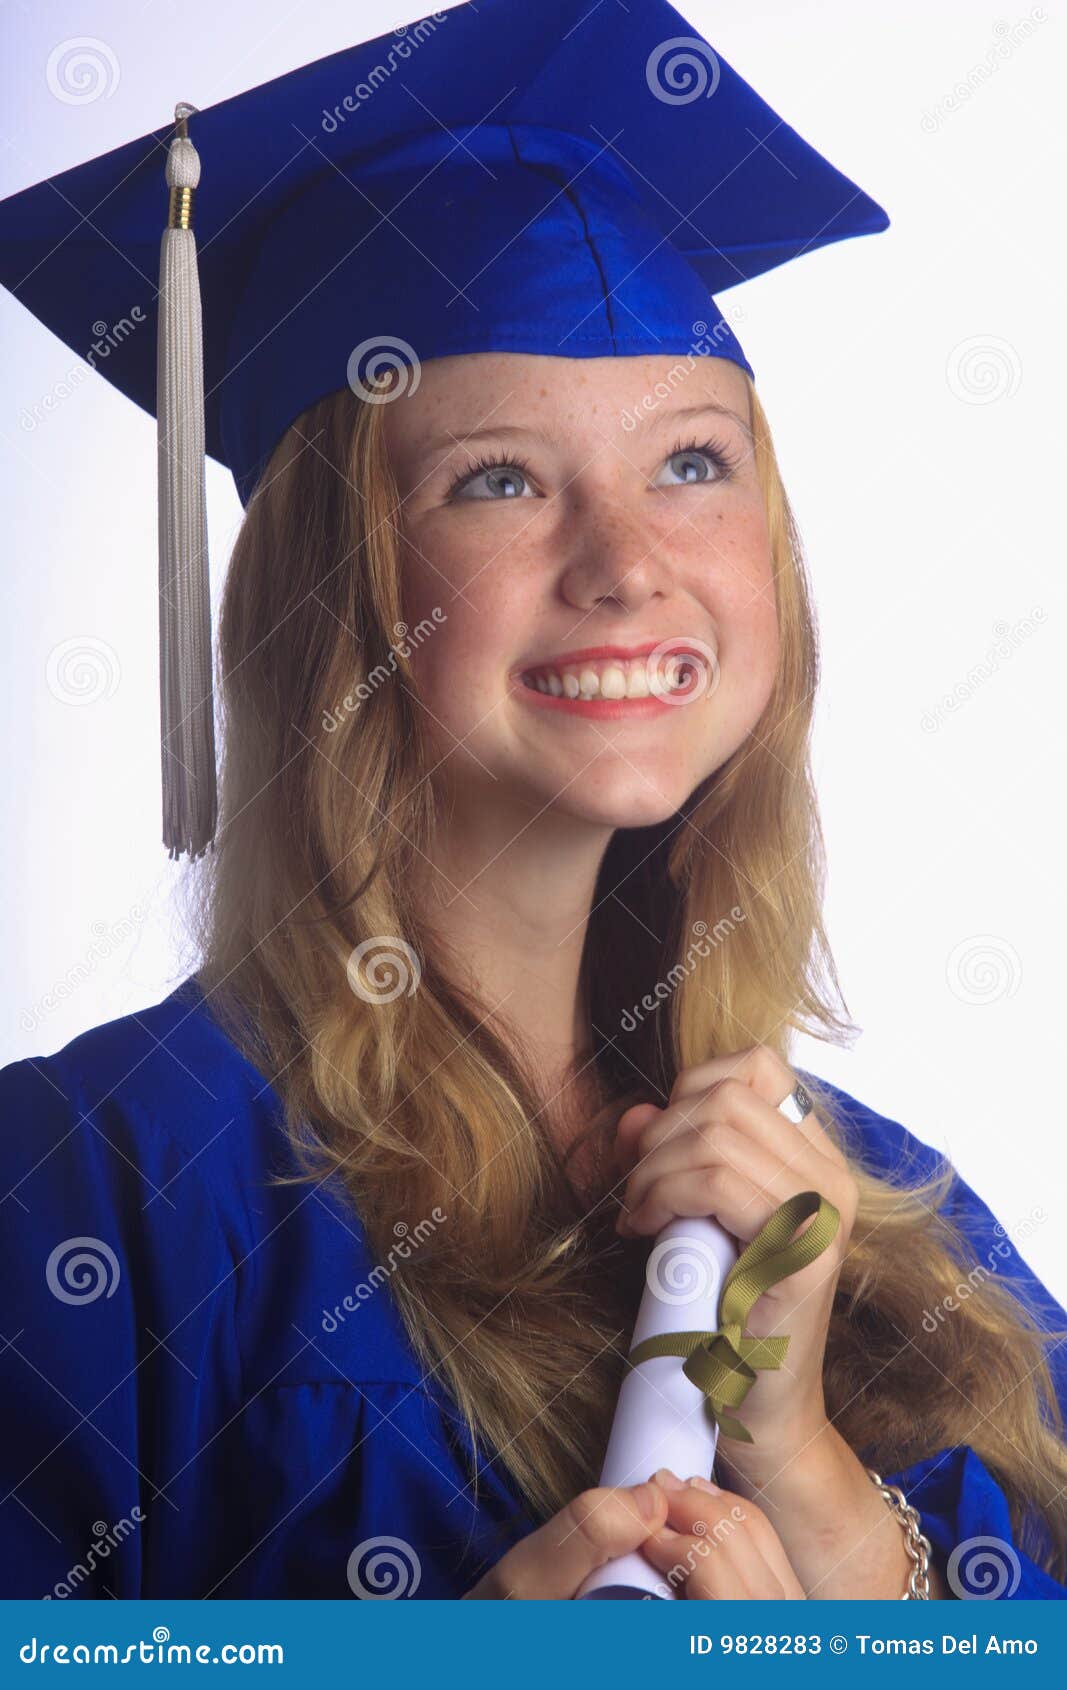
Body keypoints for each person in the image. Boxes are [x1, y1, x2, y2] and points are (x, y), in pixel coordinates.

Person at [1, 0, 1065, 1601]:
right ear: (333, 588)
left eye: (693, 462)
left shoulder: (863, 1205)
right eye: (497, 478)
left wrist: (815, 1488)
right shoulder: (99, 1193)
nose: (629, 563)